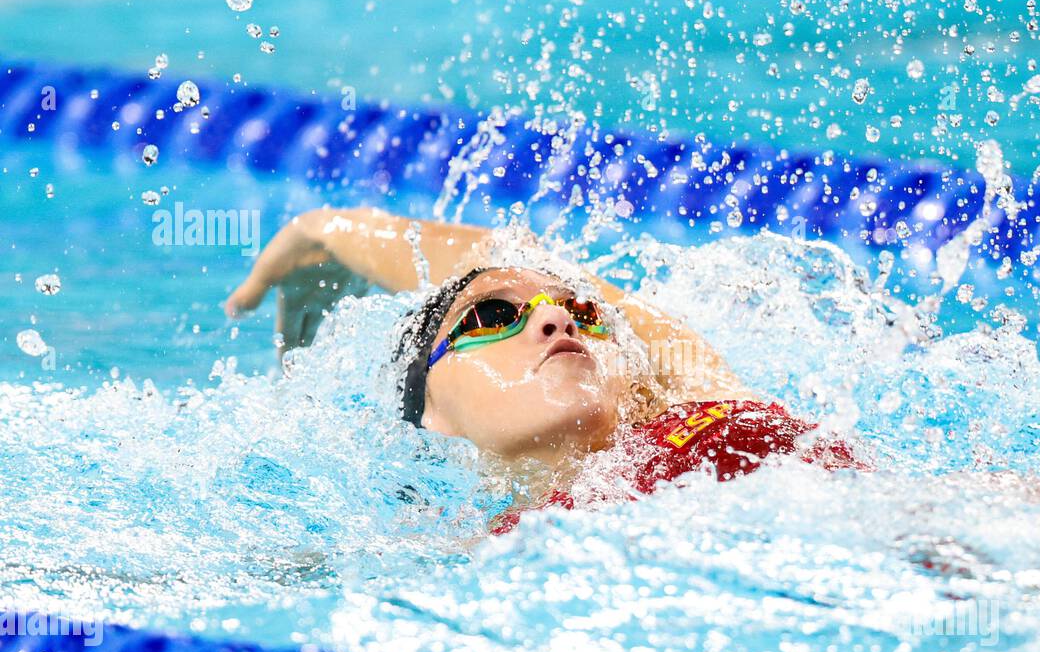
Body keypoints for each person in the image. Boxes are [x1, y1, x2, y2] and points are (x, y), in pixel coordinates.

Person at [224, 208, 871, 533]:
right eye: (490, 317)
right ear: (431, 411)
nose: (555, 323)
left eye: (583, 315)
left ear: (635, 381)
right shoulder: (474, 561)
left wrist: (326, 231)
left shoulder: (709, 409)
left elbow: (509, 256)